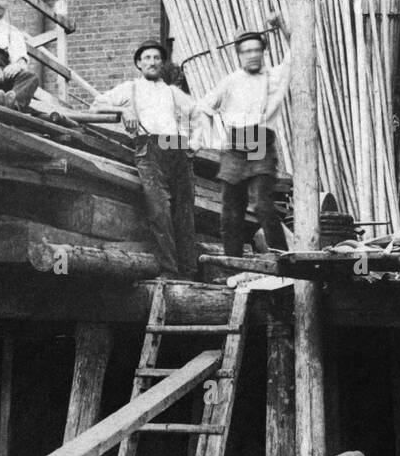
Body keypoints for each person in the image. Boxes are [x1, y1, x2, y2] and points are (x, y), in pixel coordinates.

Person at [92, 39, 201, 280]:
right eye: (147, 58)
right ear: (139, 64)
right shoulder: (130, 88)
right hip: (148, 148)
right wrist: (123, 110)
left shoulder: (172, 91)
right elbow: (96, 105)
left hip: (176, 146)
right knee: (159, 211)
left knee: (184, 213)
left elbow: (196, 113)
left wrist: (195, 142)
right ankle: (170, 271)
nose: (152, 62)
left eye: (156, 58)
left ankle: (190, 273)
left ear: (162, 63)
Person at [198, 16, 291, 258]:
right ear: (239, 55)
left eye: (256, 50)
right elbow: (204, 108)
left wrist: (282, 26)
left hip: (260, 140)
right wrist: (216, 138)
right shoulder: (230, 82)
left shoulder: (274, 77)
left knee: (262, 205)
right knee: (231, 211)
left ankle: (283, 260)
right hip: (234, 144)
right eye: (246, 51)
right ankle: (233, 262)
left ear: (263, 52)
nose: (251, 55)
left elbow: (298, 53)